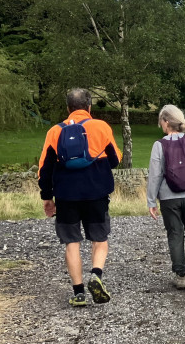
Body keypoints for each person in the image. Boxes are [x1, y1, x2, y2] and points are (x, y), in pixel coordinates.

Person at [38, 88, 122, 308]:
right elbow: (115, 160)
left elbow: (45, 169)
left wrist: (47, 197)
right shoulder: (101, 127)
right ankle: (96, 275)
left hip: (66, 196)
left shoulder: (55, 132)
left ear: (68, 108)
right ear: (89, 107)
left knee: (71, 243)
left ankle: (79, 294)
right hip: (96, 193)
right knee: (100, 239)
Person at [146, 105, 185, 290]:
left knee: (174, 234)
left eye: (161, 122)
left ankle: (181, 275)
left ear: (166, 122)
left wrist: (151, 201)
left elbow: (155, 175)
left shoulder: (159, 145)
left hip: (169, 197)